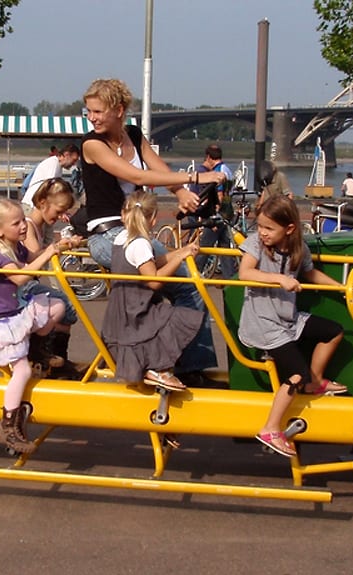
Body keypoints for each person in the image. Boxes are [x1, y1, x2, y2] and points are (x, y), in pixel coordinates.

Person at [78, 77, 225, 387]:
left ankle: (172, 362)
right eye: (88, 111)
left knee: (172, 289)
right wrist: (197, 175)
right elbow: (135, 174)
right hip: (108, 236)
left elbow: (156, 167)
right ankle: (184, 367)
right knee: (184, 285)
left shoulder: (132, 133)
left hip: (133, 233)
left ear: (118, 110)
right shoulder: (92, 144)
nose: (91, 118)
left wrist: (182, 191)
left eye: (97, 111)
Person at [237, 196, 347, 458]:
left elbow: (309, 273)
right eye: (260, 226)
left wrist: (340, 287)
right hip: (263, 324)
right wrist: (278, 279)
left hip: (288, 318)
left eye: (269, 228)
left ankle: (316, 381)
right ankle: (271, 428)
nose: (262, 233)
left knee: (333, 331)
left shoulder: (299, 248)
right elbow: (245, 273)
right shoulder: (255, 244)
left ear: (289, 229)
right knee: (297, 374)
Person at [0, 199, 72, 454]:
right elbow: (21, 277)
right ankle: (7, 425)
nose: (24, 226)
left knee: (57, 307)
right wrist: (48, 253)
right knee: (21, 372)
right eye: (17, 223)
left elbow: (34, 258)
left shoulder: (16, 247)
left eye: (23, 220)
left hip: (15, 312)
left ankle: (37, 350)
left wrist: (58, 246)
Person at [100, 190, 204, 392]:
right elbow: (154, 281)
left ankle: (159, 367)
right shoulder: (140, 243)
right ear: (154, 218)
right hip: (135, 313)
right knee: (177, 317)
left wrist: (180, 252)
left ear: (123, 214)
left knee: (164, 314)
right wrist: (180, 260)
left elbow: (148, 264)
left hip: (121, 310)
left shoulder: (122, 237)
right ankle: (159, 370)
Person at [22, 177, 84, 373]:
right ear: (42, 203)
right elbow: (35, 259)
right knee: (64, 304)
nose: (60, 216)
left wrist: (63, 245)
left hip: (29, 283)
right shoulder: (28, 225)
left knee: (67, 308)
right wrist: (59, 247)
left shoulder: (42, 227)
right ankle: (43, 354)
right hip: (20, 285)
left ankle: (58, 357)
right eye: (58, 211)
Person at [192, 143, 237, 277]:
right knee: (225, 248)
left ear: (209, 157)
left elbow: (219, 195)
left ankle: (193, 275)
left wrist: (214, 215)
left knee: (204, 248)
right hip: (227, 214)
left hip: (217, 216)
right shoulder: (228, 170)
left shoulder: (218, 172)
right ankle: (229, 279)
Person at [20, 144, 80, 214]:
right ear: (66, 155)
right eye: (74, 160)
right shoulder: (53, 164)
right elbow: (50, 189)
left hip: (35, 205)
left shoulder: (57, 166)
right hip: (31, 205)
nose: (74, 164)